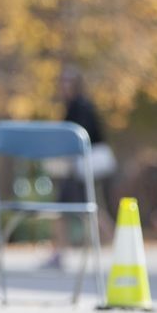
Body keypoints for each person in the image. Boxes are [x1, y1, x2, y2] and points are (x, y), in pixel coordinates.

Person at [43, 66, 115, 269]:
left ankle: (60, 252)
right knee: (84, 205)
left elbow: (80, 137)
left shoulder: (81, 106)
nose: (64, 86)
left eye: (68, 82)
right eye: (62, 82)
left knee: (74, 206)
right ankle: (60, 251)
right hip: (77, 168)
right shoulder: (73, 106)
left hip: (81, 167)